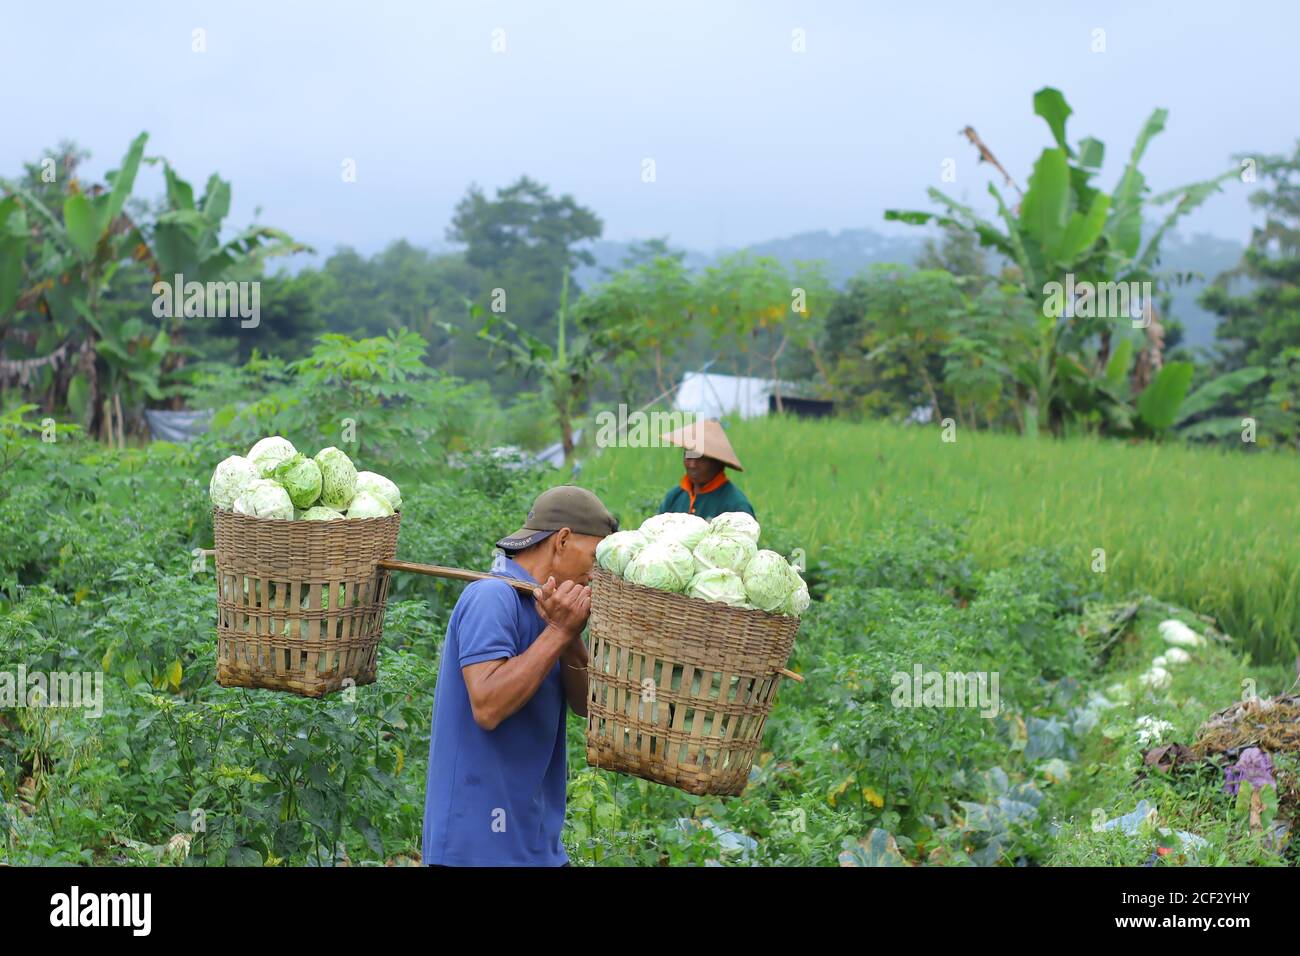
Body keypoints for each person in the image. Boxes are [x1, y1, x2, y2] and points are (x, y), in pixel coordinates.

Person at [422, 485, 618, 867]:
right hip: (477, 849)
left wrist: (570, 634)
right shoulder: (492, 597)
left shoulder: (549, 606)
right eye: (594, 558)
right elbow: (488, 706)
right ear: (562, 540)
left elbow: (585, 704)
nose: (595, 573)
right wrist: (558, 634)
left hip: (536, 847)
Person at [658, 418, 755, 519]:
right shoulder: (674, 497)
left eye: (701, 459)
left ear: (719, 463)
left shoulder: (735, 506)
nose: (692, 464)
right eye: (688, 456)